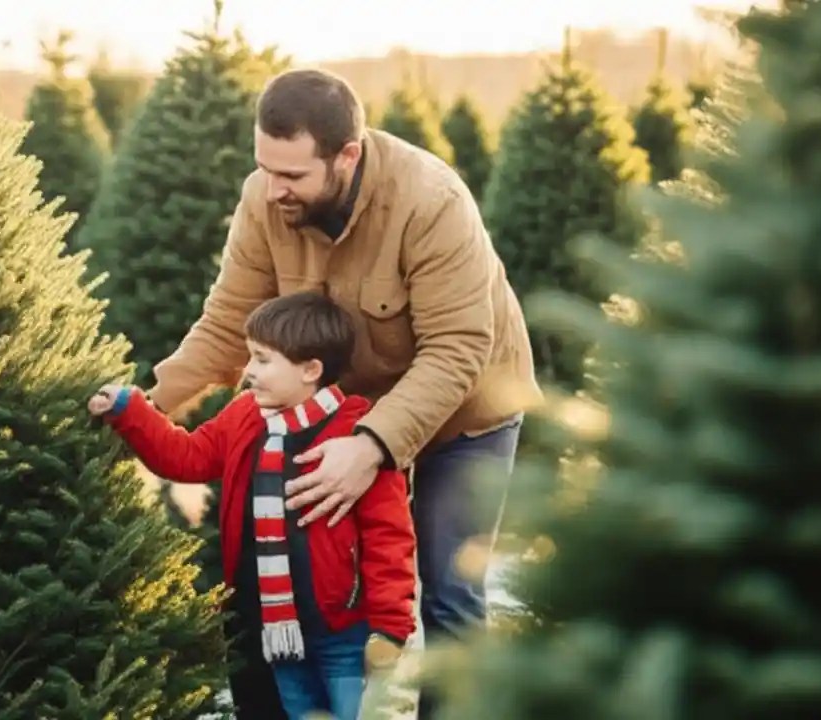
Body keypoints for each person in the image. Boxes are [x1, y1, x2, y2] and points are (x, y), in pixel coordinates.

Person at [144, 67, 541, 719]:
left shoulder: (430, 201)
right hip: (340, 417)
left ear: (347, 156)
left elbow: (458, 349)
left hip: (465, 415)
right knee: (307, 582)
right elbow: (226, 324)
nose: (273, 190)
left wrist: (374, 445)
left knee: (448, 590)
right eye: (265, 169)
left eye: (292, 175)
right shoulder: (262, 200)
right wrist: (148, 406)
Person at [88, 291, 417, 720]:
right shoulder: (243, 417)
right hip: (278, 632)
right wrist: (131, 410)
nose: (248, 373)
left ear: (310, 370)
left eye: (263, 360)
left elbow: (388, 537)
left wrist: (391, 627)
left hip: (344, 633)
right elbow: (184, 456)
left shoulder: (355, 437)